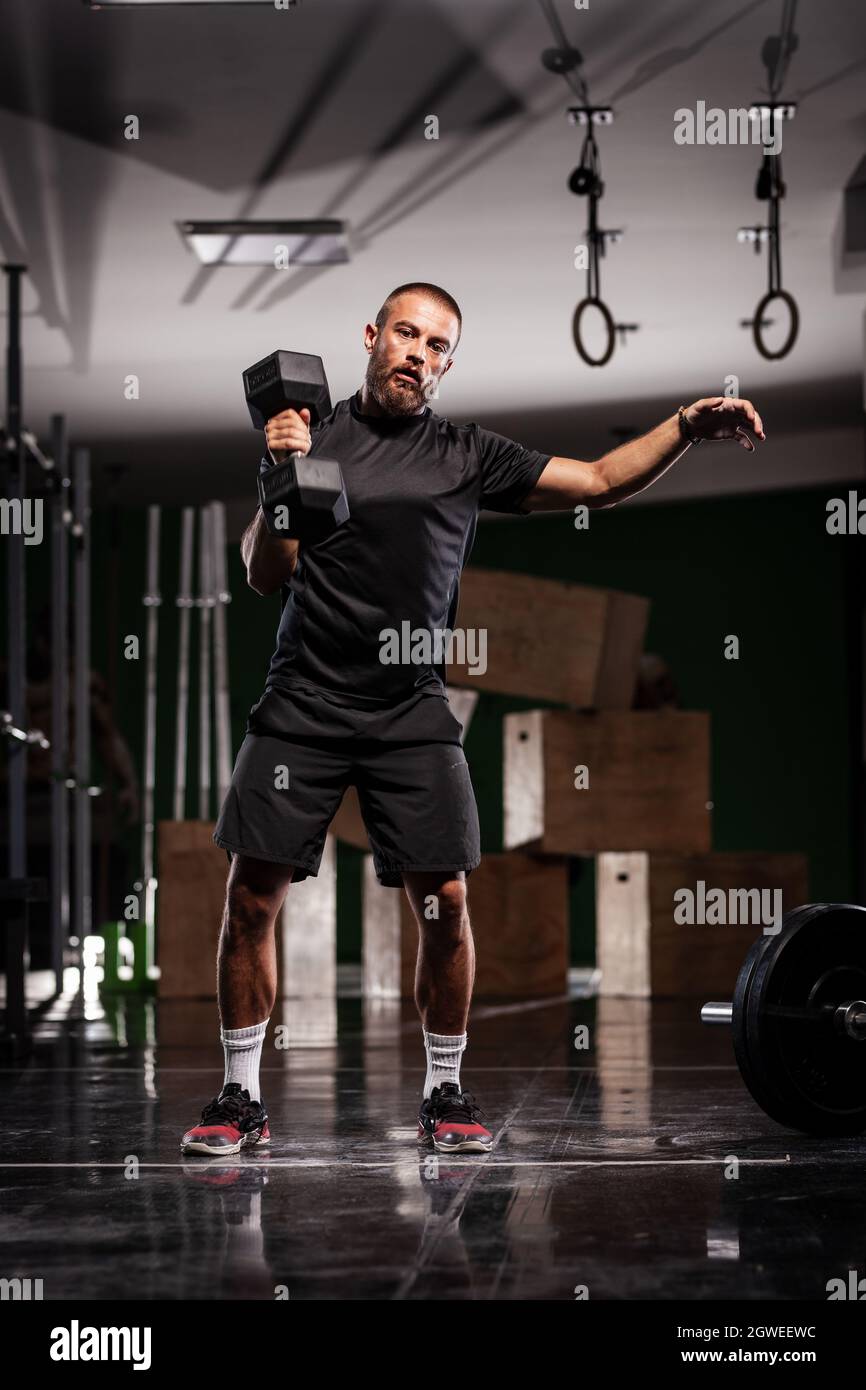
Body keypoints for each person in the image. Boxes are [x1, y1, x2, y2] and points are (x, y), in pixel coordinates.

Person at [180, 282, 765, 1157]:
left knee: (446, 901)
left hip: (412, 703)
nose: (419, 352)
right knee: (250, 902)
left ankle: (446, 1089)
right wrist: (277, 476)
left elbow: (598, 481)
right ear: (371, 336)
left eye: (438, 345)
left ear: (449, 363)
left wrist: (684, 425)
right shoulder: (310, 434)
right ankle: (240, 1096)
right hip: (302, 700)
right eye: (406, 334)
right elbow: (267, 573)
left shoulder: (465, 453)